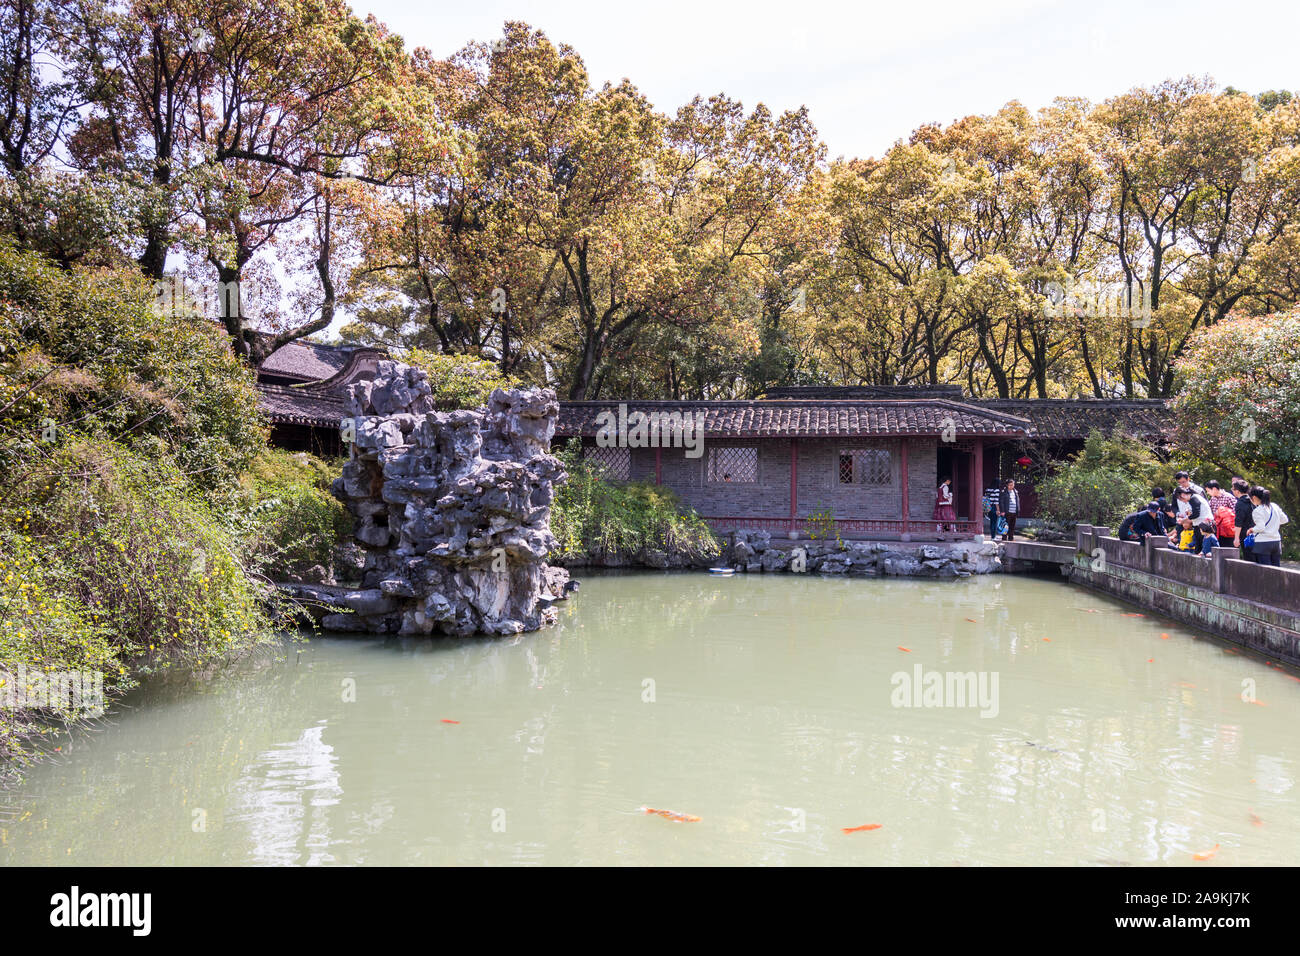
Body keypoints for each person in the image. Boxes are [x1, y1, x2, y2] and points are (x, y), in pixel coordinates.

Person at [1247, 486, 1289, 567]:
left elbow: (1261, 528)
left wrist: (1252, 529)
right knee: (1276, 569)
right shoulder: (1274, 506)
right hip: (1276, 541)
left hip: (1263, 543)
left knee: (1266, 571)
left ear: (1254, 497)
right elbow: (1285, 520)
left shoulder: (1257, 511)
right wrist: (1274, 523)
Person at [1231, 478, 1255, 559]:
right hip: (1256, 532)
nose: (1232, 490)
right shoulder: (1253, 501)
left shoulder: (1240, 503)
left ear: (1237, 491)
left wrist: (1236, 538)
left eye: (1233, 489)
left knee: (1248, 558)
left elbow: (1239, 522)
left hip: (1246, 535)